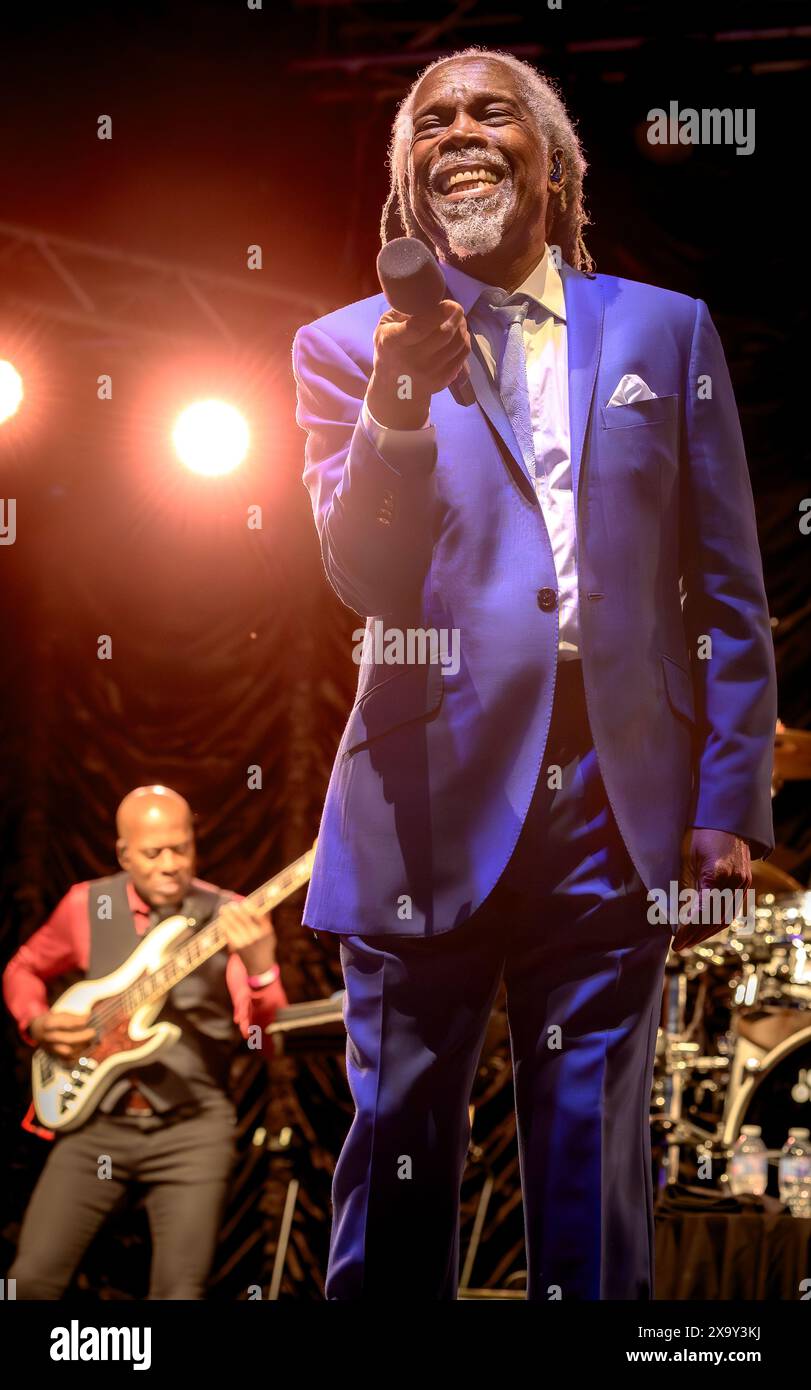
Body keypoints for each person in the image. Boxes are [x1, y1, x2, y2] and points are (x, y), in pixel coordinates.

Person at [291, 47, 777, 1300]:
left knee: (590, 1158)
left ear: (553, 163)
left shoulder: (666, 331)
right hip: (422, 790)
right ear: (406, 185)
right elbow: (363, 579)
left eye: (489, 110)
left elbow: (725, 590)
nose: (456, 130)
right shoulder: (345, 349)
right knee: (398, 1149)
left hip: (615, 795)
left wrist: (724, 802)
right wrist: (398, 406)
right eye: (429, 121)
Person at [3, 784, 287, 1299]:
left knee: (180, 1291)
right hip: (95, 1124)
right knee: (28, 1282)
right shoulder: (86, 904)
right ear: (124, 853)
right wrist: (38, 1023)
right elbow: (23, 968)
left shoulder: (229, 915)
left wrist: (262, 968)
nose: (171, 864)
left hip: (192, 1130)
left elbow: (264, 1042)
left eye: (182, 848)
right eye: (153, 852)